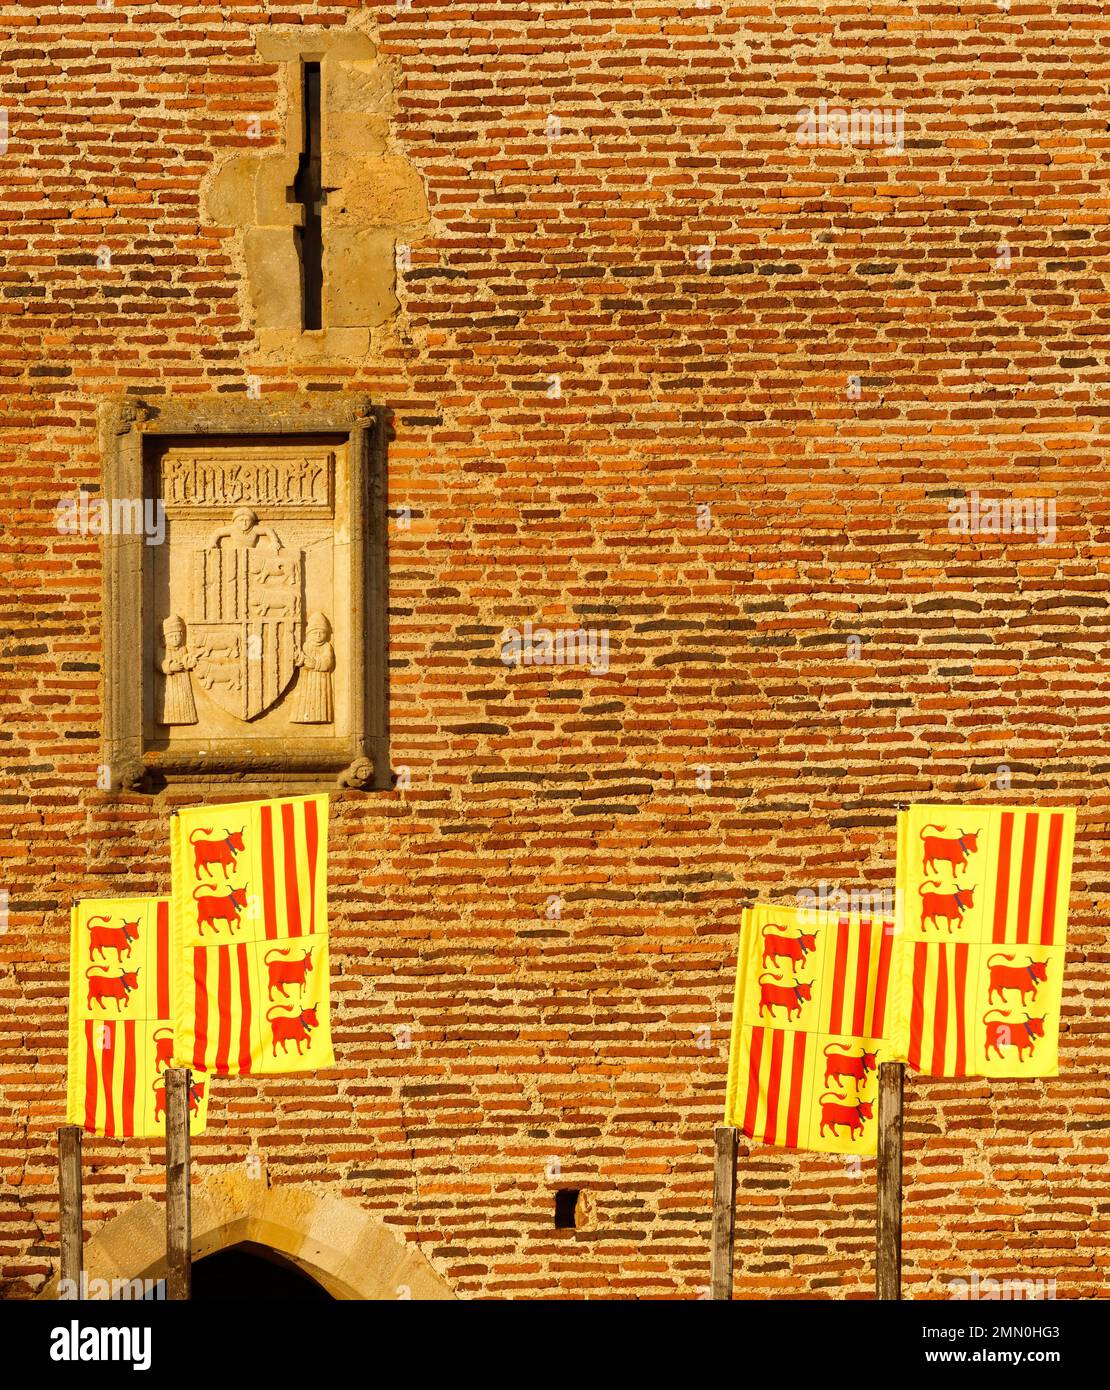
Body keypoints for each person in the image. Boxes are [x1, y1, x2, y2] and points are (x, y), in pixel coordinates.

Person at [290, 612, 334, 723]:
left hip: (321, 679)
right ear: (309, 633)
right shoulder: (306, 645)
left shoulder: (326, 646)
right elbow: (300, 660)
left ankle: (321, 717)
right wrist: (299, 659)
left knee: (321, 699)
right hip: (306, 679)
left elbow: (329, 662)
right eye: (315, 632)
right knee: (304, 698)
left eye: (322, 632)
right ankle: (301, 716)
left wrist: (316, 664)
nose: (318, 635)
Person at [157, 615, 197, 725]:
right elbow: (159, 664)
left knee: (184, 700)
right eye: (171, 636)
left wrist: (188, 663)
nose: (175, 638)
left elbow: (185, 660)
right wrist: (169, 667)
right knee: (169, 701)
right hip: (169, 684)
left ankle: (187, 718)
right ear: (164, 638)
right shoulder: (162, 650)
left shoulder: (183, 649)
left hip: (183, 682)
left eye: (177, 635)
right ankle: (167, 718)